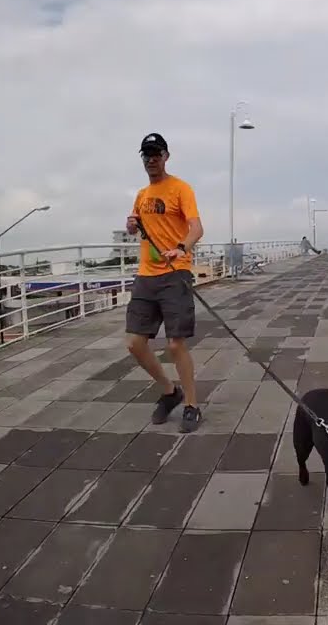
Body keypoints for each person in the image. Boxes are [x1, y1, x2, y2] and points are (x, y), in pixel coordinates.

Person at [124, 132, 205, 433]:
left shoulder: (181, 189)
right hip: (146, 275)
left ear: (166, 157)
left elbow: (197, 228)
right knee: (134, 343)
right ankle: (171, 392)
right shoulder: (142, 195)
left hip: (175, 272)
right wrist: (131, 225)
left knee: (175, 343)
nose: (151, 159)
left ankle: (192, 405)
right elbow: (134, 228)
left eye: (156, 154)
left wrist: (181, 248)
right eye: (147, 154)